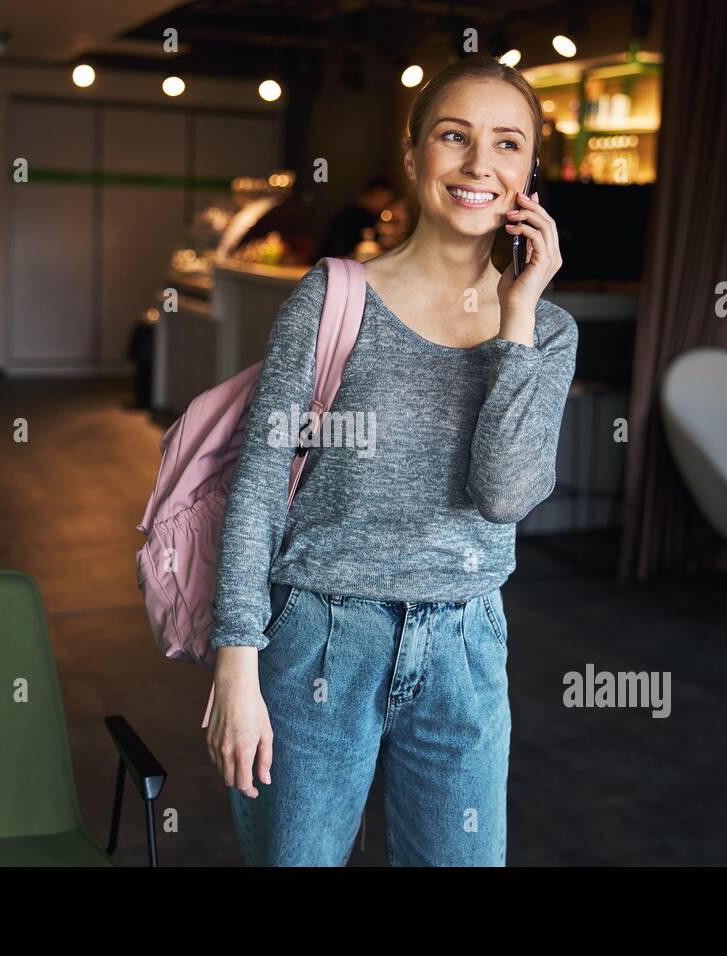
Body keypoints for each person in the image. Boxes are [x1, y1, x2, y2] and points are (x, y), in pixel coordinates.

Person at [205, 54, 578, 866]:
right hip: (318, 638)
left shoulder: (547, 333)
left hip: (467, 648)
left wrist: (517, 317)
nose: (480, 163)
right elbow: (260, 489)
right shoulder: (332, 298)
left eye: (508, 144)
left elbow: (505, 492)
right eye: (455, 136)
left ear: (530, 176)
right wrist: (236, 667)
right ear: (413, 157)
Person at [315, 175, 398, 259]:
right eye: (384, 200)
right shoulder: (357, 216)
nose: (383, 206)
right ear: (376, 194)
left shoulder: (353, 214)